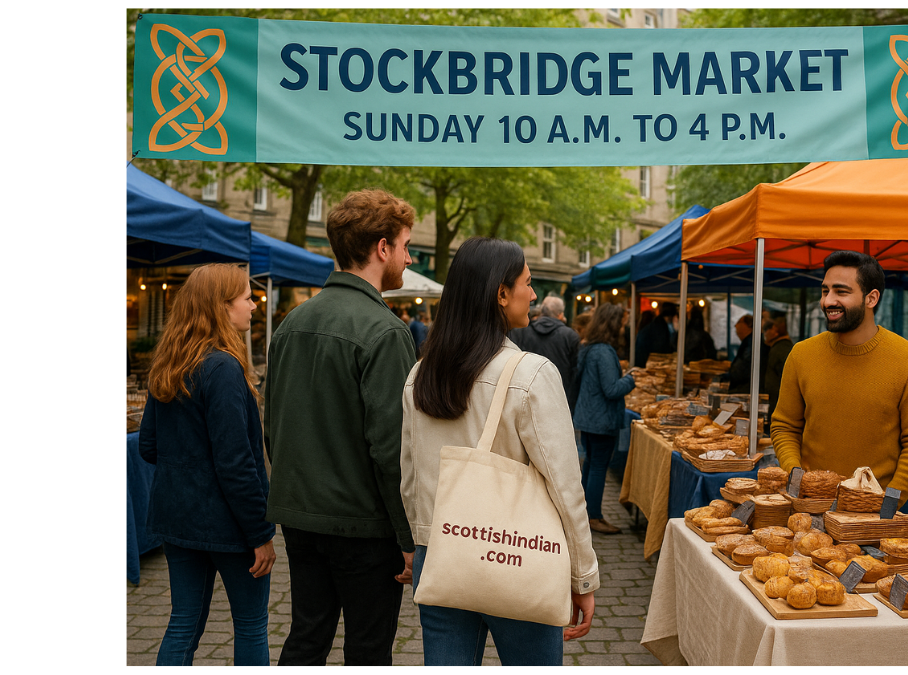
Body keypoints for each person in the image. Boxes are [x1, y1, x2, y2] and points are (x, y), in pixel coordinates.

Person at [401, 237, 598, 665]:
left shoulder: (420, 374)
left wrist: (419, 546)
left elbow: (411, 475)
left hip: (441, 555)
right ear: (501, 293)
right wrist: (583, 574)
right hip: (517, 552)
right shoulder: (531, 374)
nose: (532, 293)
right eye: (526, 283)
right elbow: (565, 485)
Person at [263, 189, 418, 666]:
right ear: (382, 248)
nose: (408, 259)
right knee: (369, 650)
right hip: (364, 527)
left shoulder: (292, 322)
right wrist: (409, 539)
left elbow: (273, 423)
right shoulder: (385, 331)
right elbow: (392, 448)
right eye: (406, 246)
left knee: (306, 636)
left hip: (301, 517)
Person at [138, 263, 276, 666]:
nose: (254, 305)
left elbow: (150, 446)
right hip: (231, 526)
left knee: (182, 622)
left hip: (177, 518)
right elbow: (236, 463)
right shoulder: (223, 368)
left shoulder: (170, 362)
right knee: (250, 624)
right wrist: (260, 533)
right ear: (221, 306)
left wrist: (188, 469)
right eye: (247, 298)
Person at [770, 250, 908, 505]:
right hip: (807, 505)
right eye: (825, 291)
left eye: (841, 292)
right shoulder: (801, 355)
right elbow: (785, 426)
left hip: (873, 512)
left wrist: (888, 505)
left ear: (871, 298)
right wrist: (797, 479)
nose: (827, 301)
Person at [573, 303, 637, 534]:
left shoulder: (589, 347)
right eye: (621, 323)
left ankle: (583, 513)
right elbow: (611, 389)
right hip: (600, 420)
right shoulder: (603, 351)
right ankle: (594, 517)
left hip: (589, 416)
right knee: (598, 466)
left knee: (591, 463)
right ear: (612, 323)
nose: (623, 327)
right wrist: (631, 379)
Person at [509, 296, 582, 414]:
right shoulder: (570, 335)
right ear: (560, 314)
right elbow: (576, 371)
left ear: (542, 311)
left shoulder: (521, 332)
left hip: (525, 395)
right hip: (559, 398)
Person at [763, 317, 794, 418]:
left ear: (774, 330)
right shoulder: (780, 347)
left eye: (767, 330)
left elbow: (787, 376)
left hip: (779, 402)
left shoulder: (781, 348)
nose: (765, 333)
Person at [633, 301, 677, 367]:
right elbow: (661, 348)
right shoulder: (661, 328)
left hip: (643, 359)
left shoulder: (656, 325)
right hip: (648, 362)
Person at [726, 315, 755, 394]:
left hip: (745, 390)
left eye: (739, 322)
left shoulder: (752, 343)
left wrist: (727, 374)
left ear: (748, 325)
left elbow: (742, 369)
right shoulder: (748, 342)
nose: (735, 325)